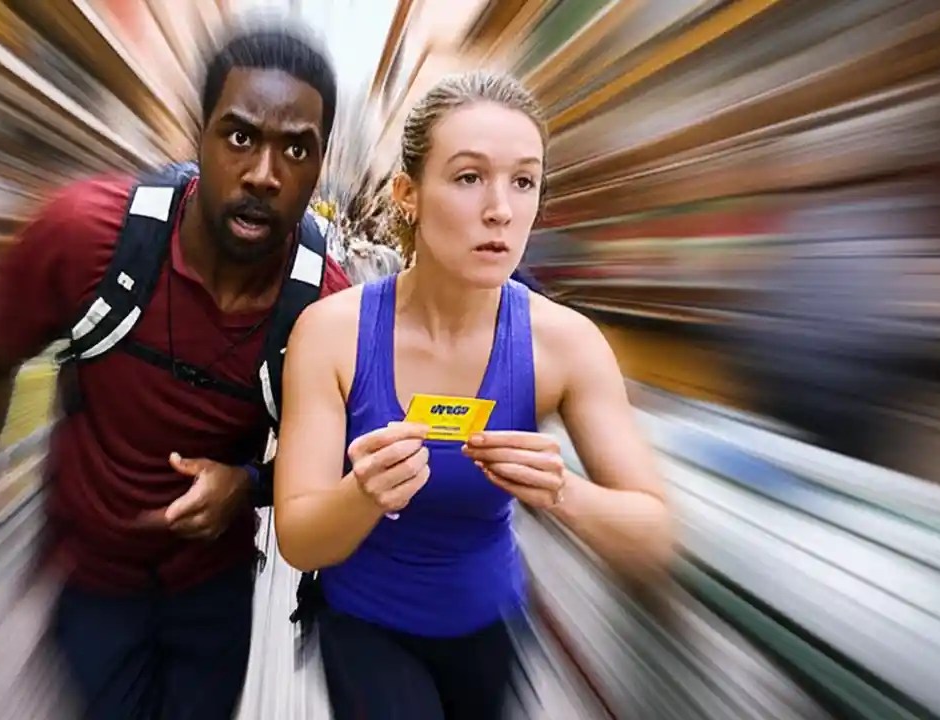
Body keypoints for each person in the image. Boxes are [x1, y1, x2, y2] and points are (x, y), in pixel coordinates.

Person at [0, 28, 348, 720]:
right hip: (90, 584)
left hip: (216, 594)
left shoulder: (327, 308)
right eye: (238, 137)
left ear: (320, 165)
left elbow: (334, 463)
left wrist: (249, 485)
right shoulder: (84, 236)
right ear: (198, 138)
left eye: (295, 148)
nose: (264, 172)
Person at [272, 71, 673, 720]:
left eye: (524, 180)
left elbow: (652, 533)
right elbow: (299, 540)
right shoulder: (332, 333)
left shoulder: (566, 344)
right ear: (408, 194)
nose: (501, 210)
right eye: (468, 177)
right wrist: (362, 492)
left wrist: (563, 493)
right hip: (363, 626)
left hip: (491, 628)